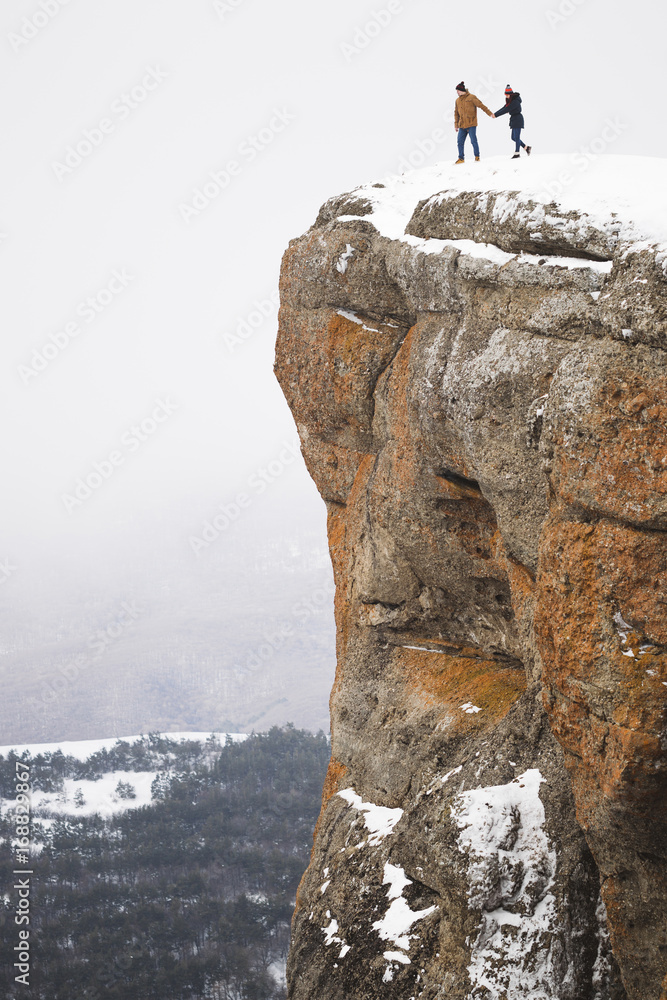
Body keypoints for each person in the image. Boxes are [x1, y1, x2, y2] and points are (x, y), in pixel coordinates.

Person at [454, 82, 495, 163]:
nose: (457, 92)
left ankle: (477, 156)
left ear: (462, 90)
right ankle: (461, 158)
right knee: (459, 142)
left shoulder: (472, 97)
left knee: (473, 141)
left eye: (458, 90)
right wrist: (456, 125)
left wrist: (490, 113)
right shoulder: (457, 100)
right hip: (462, 125)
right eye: (456, 91)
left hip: (471, 124)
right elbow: (456, 113)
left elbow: (481, 105)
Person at [494, 84, 532, 159]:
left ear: (510, 94)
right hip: (514, 119)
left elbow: (506, 109)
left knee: (517, 137)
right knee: (513, 138)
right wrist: (495, 114)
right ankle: (526, 147)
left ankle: (517, 153)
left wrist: (496, 115)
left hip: (518, 119)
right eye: (505, 95)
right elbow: (505, 107)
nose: (506, 96)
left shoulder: (515, 101)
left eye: (507, 95)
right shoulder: (510, 101)